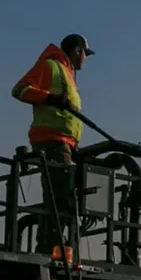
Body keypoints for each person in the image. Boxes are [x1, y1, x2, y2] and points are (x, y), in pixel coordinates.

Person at [10, 34, 95, 258]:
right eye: (85, 54)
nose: (85, 59)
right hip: (51, 139)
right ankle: (50, 248)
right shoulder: (51, 66)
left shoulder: (66, 73)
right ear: (77, 50)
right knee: (61, 194)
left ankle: (53, 245)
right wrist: (50, 98)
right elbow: (19, 90)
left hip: (64, 142)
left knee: (64, 194)